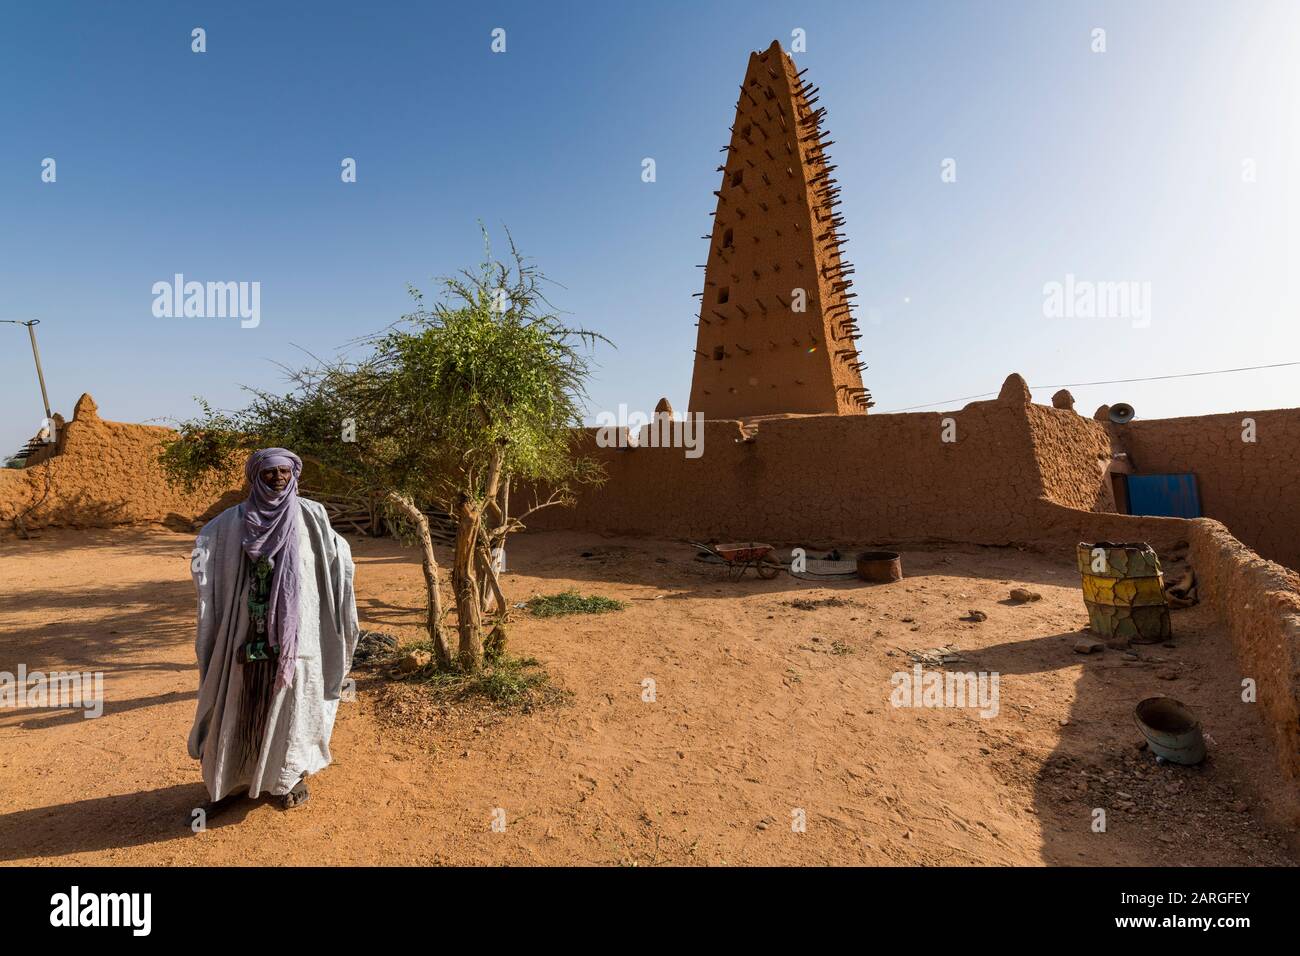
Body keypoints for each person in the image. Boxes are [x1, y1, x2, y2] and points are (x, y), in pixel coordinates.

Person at [187, 448, 358, 812]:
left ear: (294, 475)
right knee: (236, 699)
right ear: (255, 477)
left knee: (291, 701)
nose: (278, 478)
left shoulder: (311, 517)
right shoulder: (232, 523)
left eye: (284, 472)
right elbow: (207, 549)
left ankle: (285, 777)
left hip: (297, 636)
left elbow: (335, 560)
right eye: (269, 473)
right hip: (242, 633)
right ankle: (230, 780)